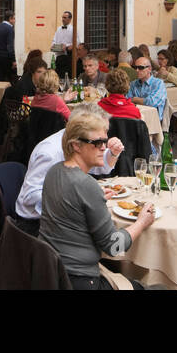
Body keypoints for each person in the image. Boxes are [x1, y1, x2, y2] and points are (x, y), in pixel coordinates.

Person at [40, 111, 157, 289]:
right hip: (80, 279)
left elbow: (71, 206)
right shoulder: (86, 185)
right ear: (76, 146)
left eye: (105, 141)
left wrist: (95, 197)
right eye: (97, 143)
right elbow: (114, 247)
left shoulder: (54, 171)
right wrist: (142, 222)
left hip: (51, 270)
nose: (104, 147)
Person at [14, 104, 123, 236]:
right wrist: (78, 202)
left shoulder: (80, 143)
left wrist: (114, 153)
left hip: (58, 217)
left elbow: (101, 166)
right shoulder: (50, 152)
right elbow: (30, 197)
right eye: (102, 130)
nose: (105, 138)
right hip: (36, 225)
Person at [126, 53, 167, 121]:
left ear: (149, 69)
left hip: (153, 120)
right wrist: (141, 100)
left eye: (141, 68)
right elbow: (127, 100)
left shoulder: (158, 83)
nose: (137, 70)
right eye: (135, 67)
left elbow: (152, 102)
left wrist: (135, 99)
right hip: (135, 118)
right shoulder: (133, 83)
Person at [0, 11, 16, 83]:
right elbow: (10, 46)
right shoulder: (10, 29)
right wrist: (13, 60)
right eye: (14, 19)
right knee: (10, 80)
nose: (15, 21)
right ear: (10, 19)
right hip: (6, 58)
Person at [51, 11, 74, 77]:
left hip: (68, 58)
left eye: (65, 17)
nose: (63, 19)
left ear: (70, 19)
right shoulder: (58, 29)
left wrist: (66, 47)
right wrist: (54, 46)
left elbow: (76, 44)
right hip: (58, 57)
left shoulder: (73, 30)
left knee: (66, 76)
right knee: (57, 76)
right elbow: (54, 42)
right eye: (62, 17)